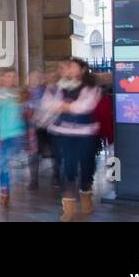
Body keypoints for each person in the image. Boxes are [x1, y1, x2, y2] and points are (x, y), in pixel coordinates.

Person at [44, 58, 102, 221]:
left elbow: (85, 106)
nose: (69, 69)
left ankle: (85, 193)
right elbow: (48, 104)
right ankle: (68, 207)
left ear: (83, 70)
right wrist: (68, 105)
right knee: (67, 169)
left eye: (73, 66)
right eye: (68, 67)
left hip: (85, 133)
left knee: (86, 167)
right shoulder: (56, 86)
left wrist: (66, 106)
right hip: (63, 132)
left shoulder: (91, 87)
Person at [0, 68, 27, 207]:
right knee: (3, 165)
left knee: (6, 162)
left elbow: (25, 110)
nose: (11, 79)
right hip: (3, 135)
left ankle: (10, 185)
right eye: (8, 76)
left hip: (16, 134)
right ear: (3, 79)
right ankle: (4, 191)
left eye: (13, 76)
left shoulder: (19, 94)